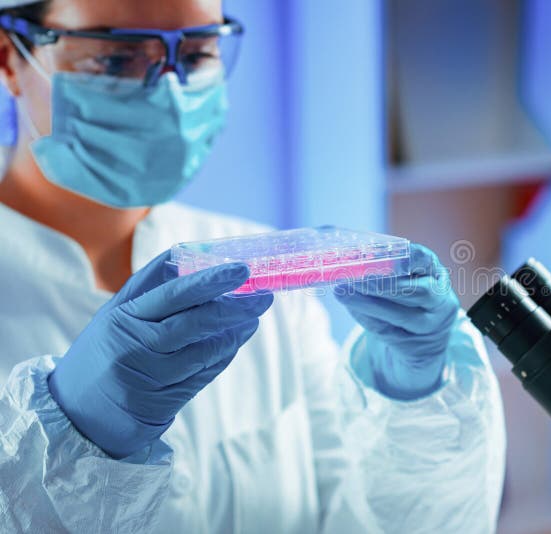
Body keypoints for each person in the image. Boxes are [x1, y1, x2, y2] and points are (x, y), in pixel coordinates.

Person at [0, 0, 506, 532]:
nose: (168, 92)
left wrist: (415, 411)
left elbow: (356, 519)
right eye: (115, 58)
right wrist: (64, 448)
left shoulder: (259, 272)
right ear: (11, 57)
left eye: (196, 54)